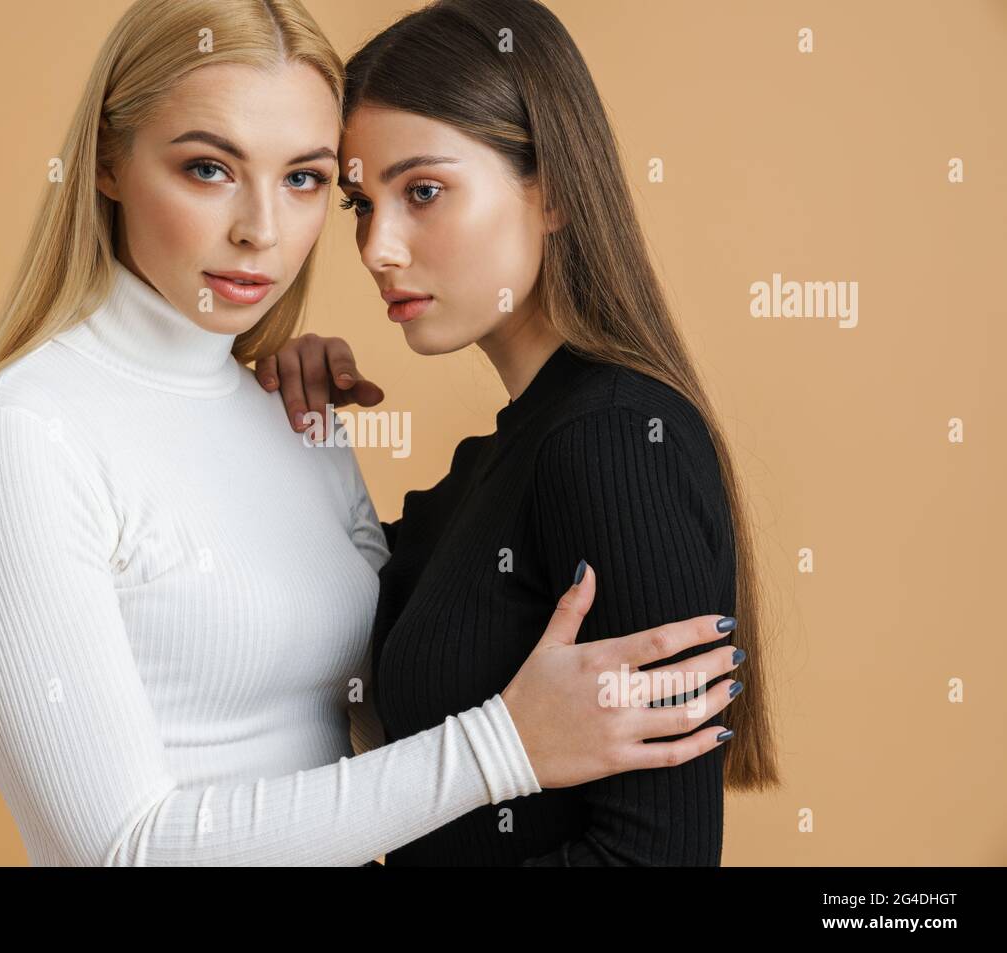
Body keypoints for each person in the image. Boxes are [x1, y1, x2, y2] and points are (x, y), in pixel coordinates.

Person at [0, 0, 741, 867]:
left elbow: (388, 711)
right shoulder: (22, 437)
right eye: (207, 168)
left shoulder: (295, 420)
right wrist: (498, 745)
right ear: (108, 163)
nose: (262, 231)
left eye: (306, 180)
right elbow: (121, 851)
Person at [256, 0, 779, 865]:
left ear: (557, 196)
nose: (377, 247)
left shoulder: (615, 440)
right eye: (360, 203)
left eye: (423, 191)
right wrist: (300, 434)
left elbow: (657, 862)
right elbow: (333, 625)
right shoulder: (491, 470)